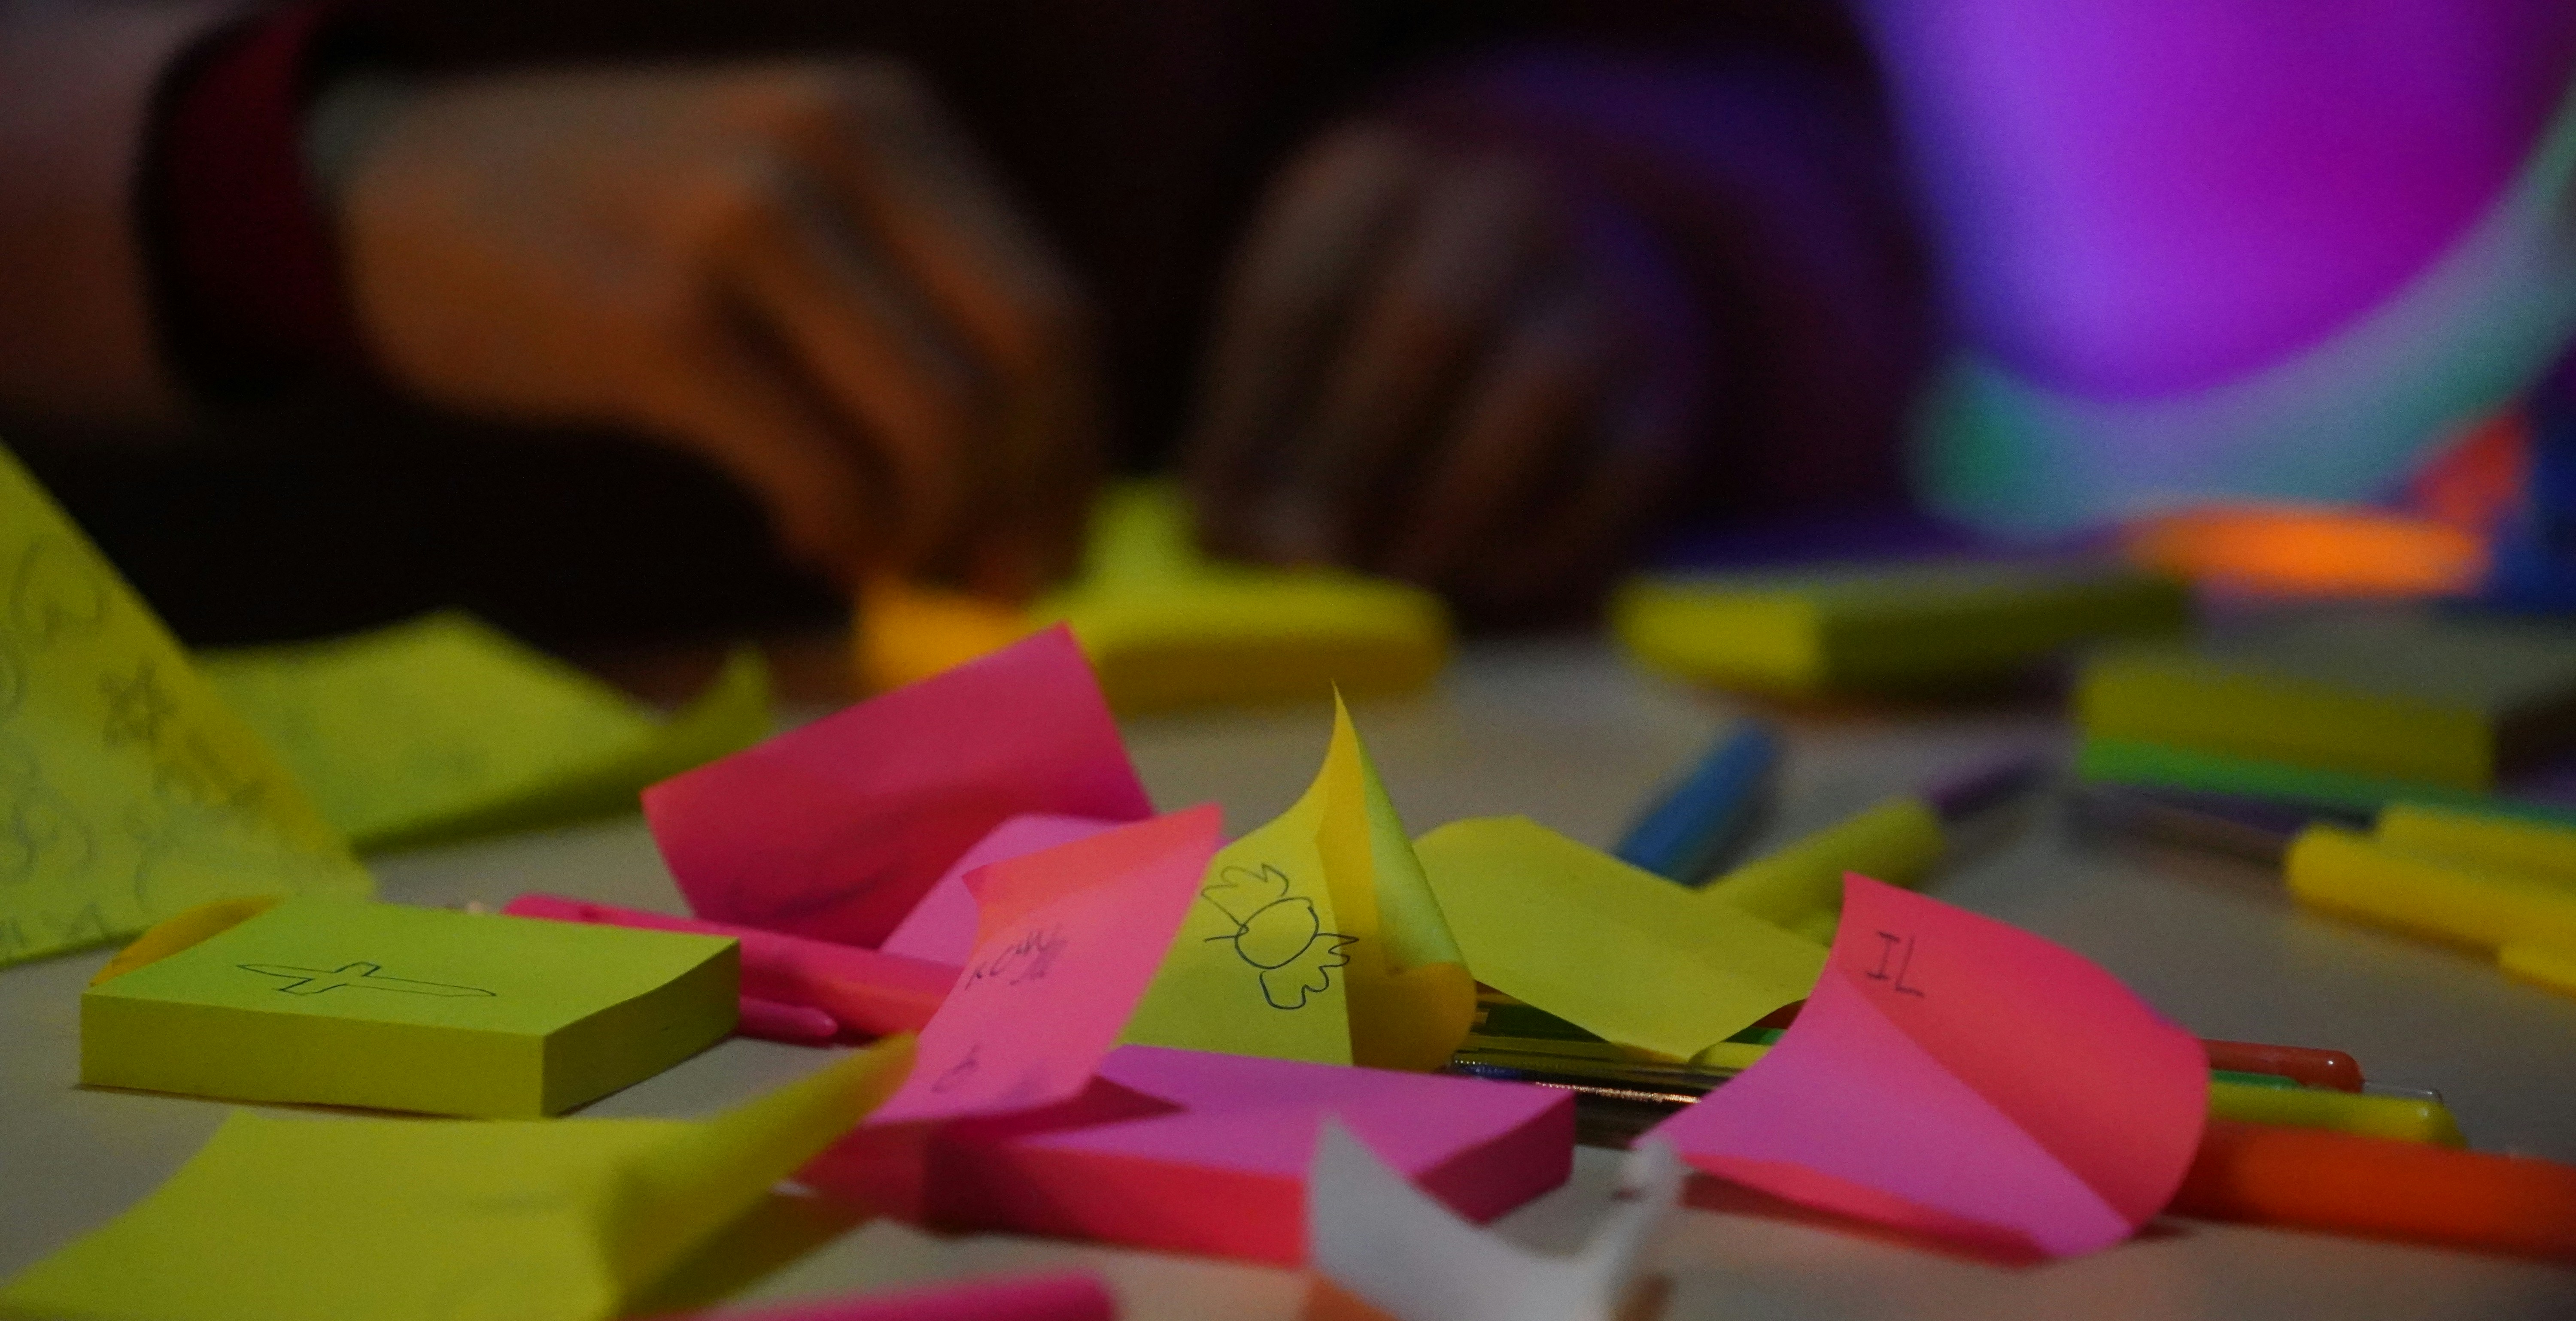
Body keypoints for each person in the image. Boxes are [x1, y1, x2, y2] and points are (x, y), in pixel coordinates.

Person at [0, 0, 1929, 642]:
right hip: (200, 870)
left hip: (1373, 720)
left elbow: (1785, 100)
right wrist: (245, 183)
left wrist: (1627, 208)